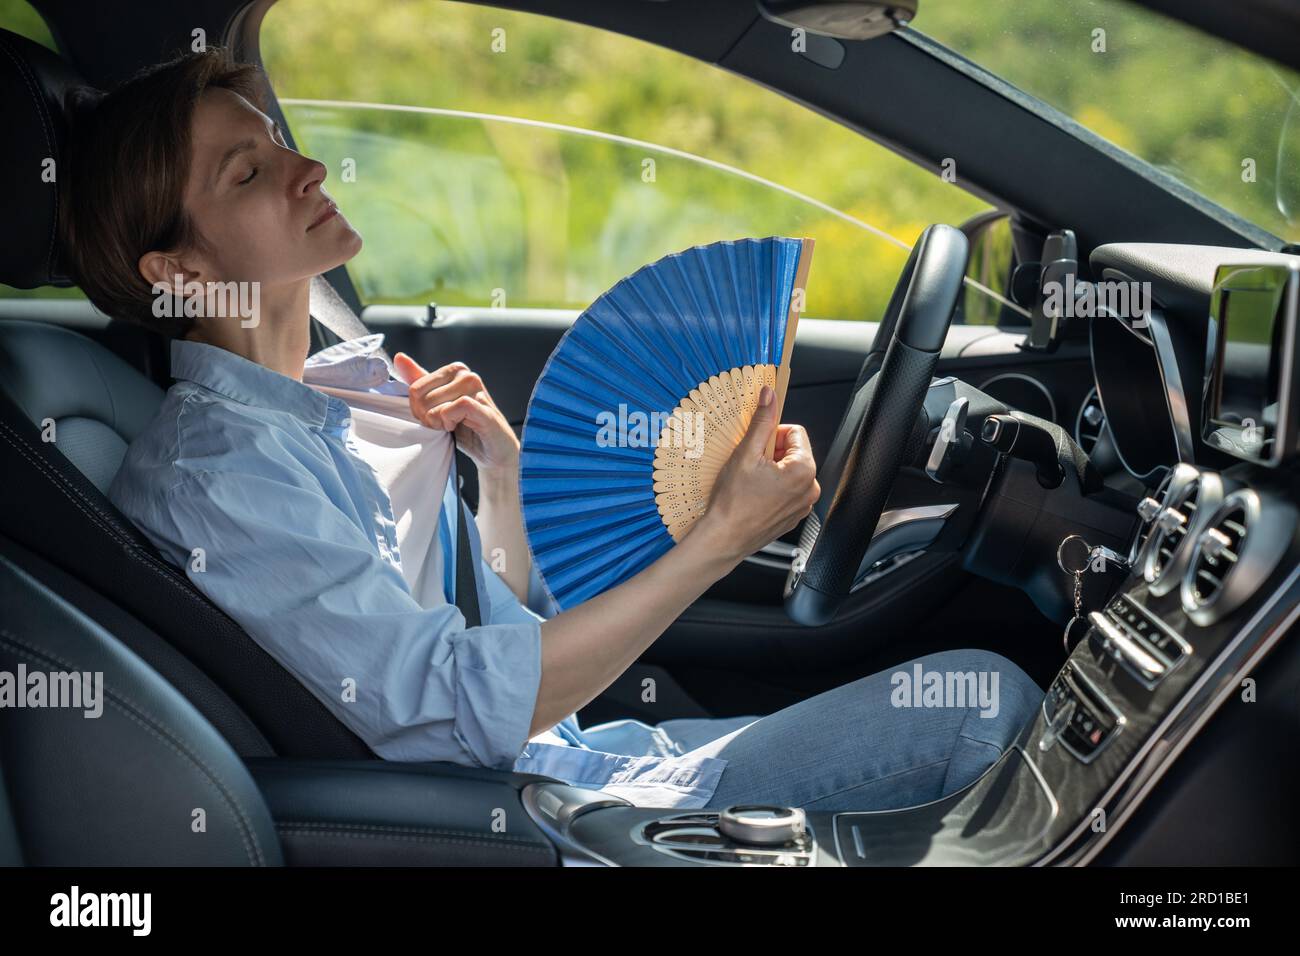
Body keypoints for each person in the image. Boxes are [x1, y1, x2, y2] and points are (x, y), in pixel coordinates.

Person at [59, 46, 1042, 811]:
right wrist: (718, 541)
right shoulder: (223, 477)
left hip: (586, 755)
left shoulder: (335, 392)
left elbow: (486, 625)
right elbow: (457, 703)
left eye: (277, 139)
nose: (308, 167)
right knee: (979, 707)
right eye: (248, 172)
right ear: (178, 272)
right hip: (547, 813)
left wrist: (502, 473)